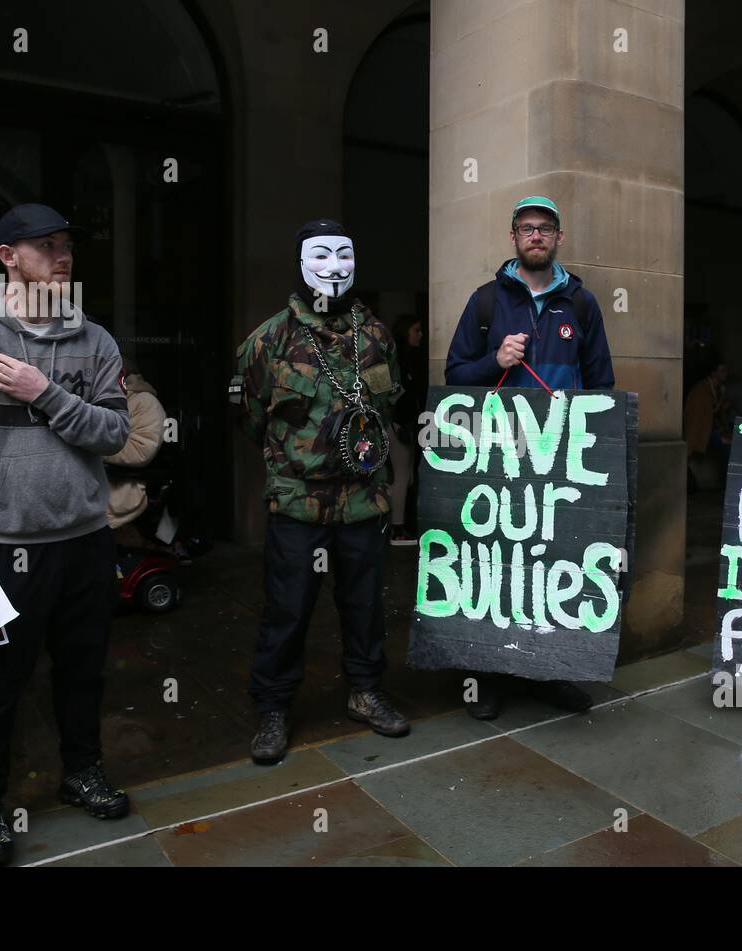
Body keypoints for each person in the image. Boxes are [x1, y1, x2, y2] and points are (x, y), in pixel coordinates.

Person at [0, 203, 132, 866]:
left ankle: (82, 771)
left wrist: (45, 392)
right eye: (45, 245)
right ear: (8, 256)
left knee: (82, 673)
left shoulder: (94, 341)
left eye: (67, 243)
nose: (62, 255)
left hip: (83, 540)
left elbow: (116, 434)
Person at [233, 219, 409, 765]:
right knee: (287, 609)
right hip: (298, 505)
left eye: (344, 255)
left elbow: (390, 406)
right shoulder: (270, 339)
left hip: (362, 500)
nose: (334, 267)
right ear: (301, 261)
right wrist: (297, 460)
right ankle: (274, 707)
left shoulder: (375, 337)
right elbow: (250, 416)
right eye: (321, 255)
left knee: (363, 606)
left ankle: (365, 691)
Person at [443, 195, 615, 720]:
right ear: (513, 237)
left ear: (558, 237)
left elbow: (602, 384)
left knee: (555, 564)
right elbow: (455, 376)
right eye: (526, 229)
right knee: (496, 564)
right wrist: (494, 360)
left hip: (561, 461)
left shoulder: (581, 304)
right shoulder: (486, 301)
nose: (535, 236)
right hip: (499, 457)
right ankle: (490, 676)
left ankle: (548, 672)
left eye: (544, 229)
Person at [105, 360, 167, 537]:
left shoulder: (144, 402)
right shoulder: (105, 399)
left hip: (124, 488)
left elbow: (141, 450)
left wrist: (94, 448)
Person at [387, 315, 427, 544]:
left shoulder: (405, 358)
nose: (420, 334)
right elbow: (398, 395)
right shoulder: (400, 359)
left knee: (406, 477)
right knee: (402, 477)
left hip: (405, 424)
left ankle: (397, 526)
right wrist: (399, 422)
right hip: (398, 424)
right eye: (416, 330)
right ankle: (396, 529)